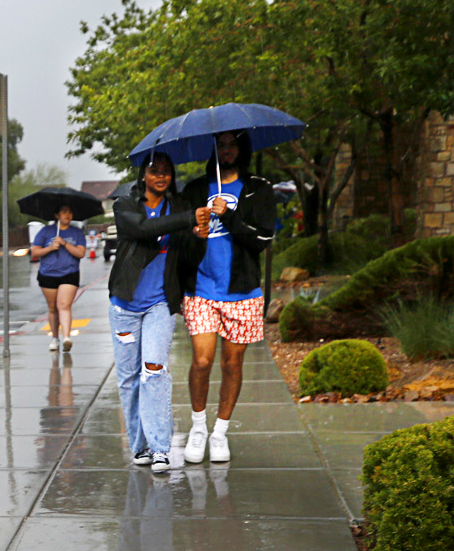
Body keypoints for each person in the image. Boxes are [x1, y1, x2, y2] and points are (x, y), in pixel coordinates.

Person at [177, 129, 276, 464]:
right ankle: (198, 427)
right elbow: (179, 240)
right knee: (202, 360)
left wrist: (229, 216)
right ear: (213, 149)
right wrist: (195, 233)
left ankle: (219, 432)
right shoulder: (193, 190)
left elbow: (262, 238)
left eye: (233, 144)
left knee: (232, 364)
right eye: (221, 145)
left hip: (242, 290)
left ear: (242, 148)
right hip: (201, 288)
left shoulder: (257, 188)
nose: (227, 150)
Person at [106, 152, 198, 473]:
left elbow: (188, 250)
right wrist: (187, 220)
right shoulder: (125, 206)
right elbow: (144, 228)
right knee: (130, 380)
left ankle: (160, 448)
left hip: (160, 302)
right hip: (125, 306)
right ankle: (140, 446)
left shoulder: (179, 207)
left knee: (154, 371)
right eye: (154, 171)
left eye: (166, 171)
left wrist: (197, 230)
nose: (160, 176)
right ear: (143, 175)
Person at [31, 204, 87, 352]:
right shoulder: (46, 231)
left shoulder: (77, 232)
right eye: (64, 212)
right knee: (52, 308)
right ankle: (54, 338)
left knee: (64, 305)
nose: (67, 215)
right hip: (48, 274)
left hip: (69, 273)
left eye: (69, 212)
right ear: (57, 216)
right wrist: (50, 248)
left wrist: (64, 243)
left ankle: (67, 337)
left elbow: (81, 253)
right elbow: (35, 252)